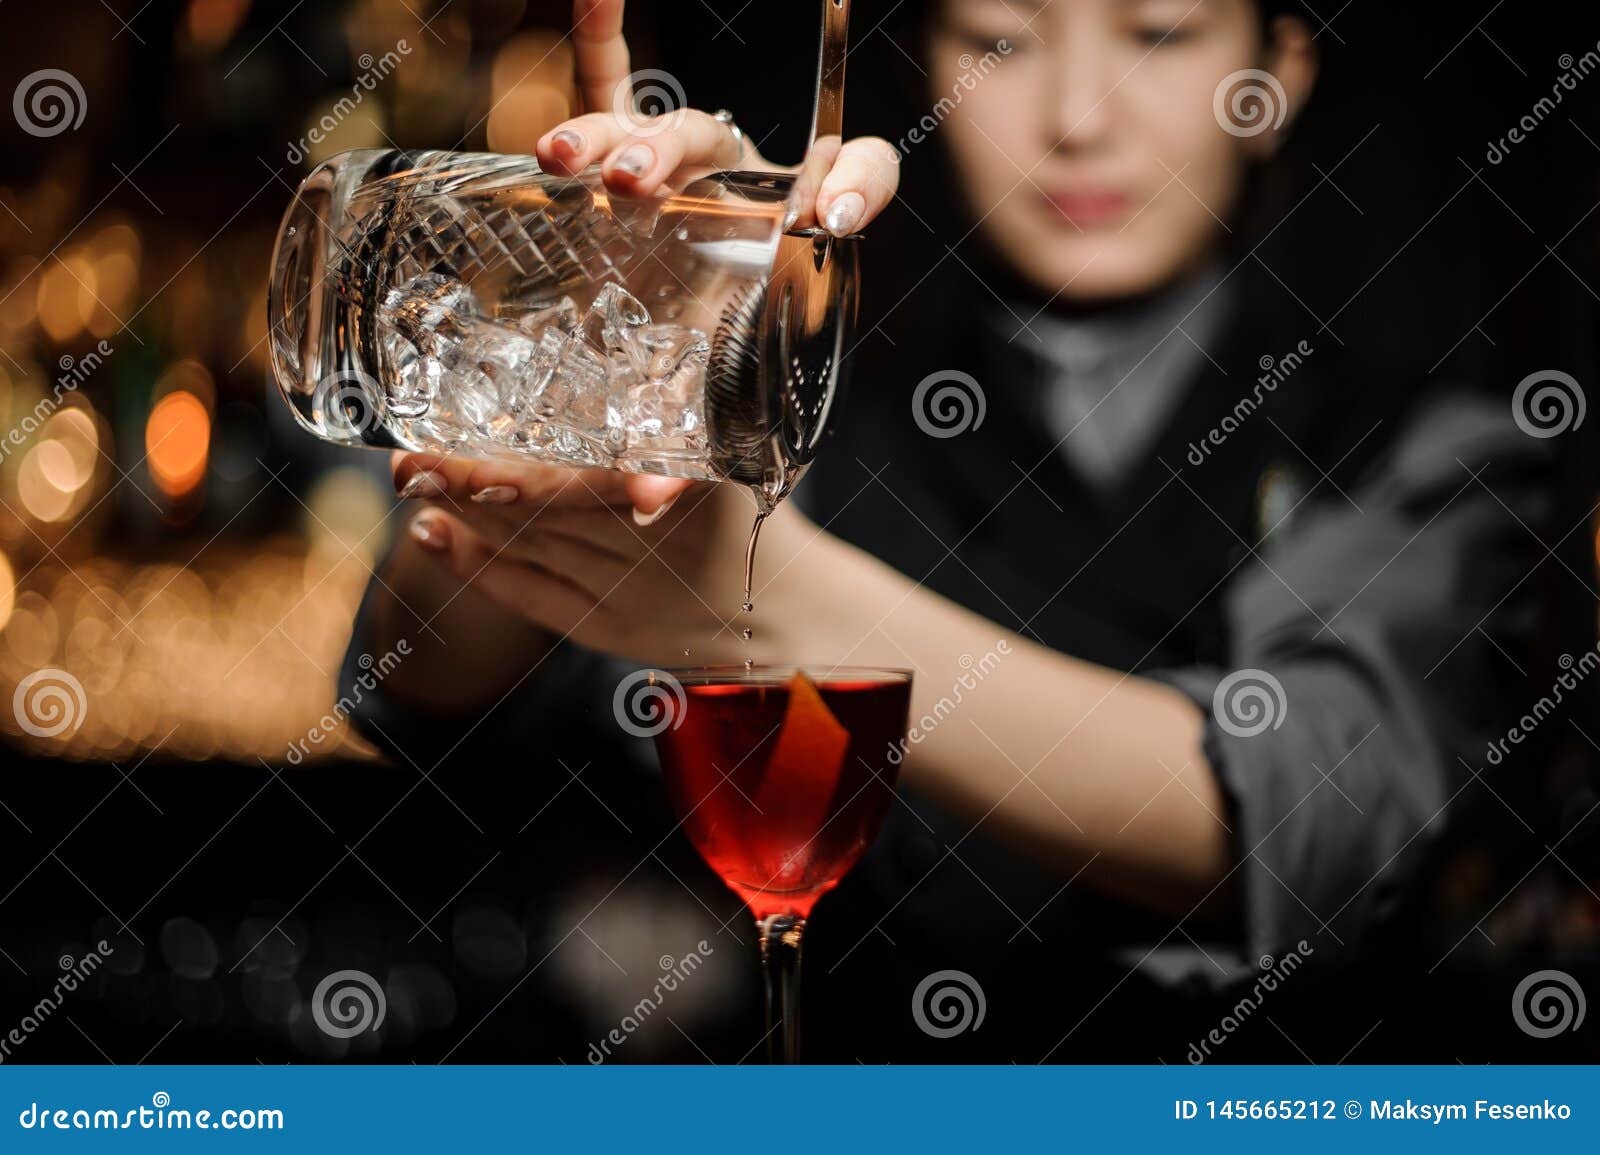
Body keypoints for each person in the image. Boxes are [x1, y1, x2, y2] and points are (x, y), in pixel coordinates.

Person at [342, 0, 1566, 1059]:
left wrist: (770, 604)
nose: (1079, 116)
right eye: (1001, 40)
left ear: (1278, 73)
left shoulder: (1422, 449)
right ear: (928, 67)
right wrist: (588, 371)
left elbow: (1319, 821)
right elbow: (427, 694)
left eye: (1158, 32)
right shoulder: (809, 408)